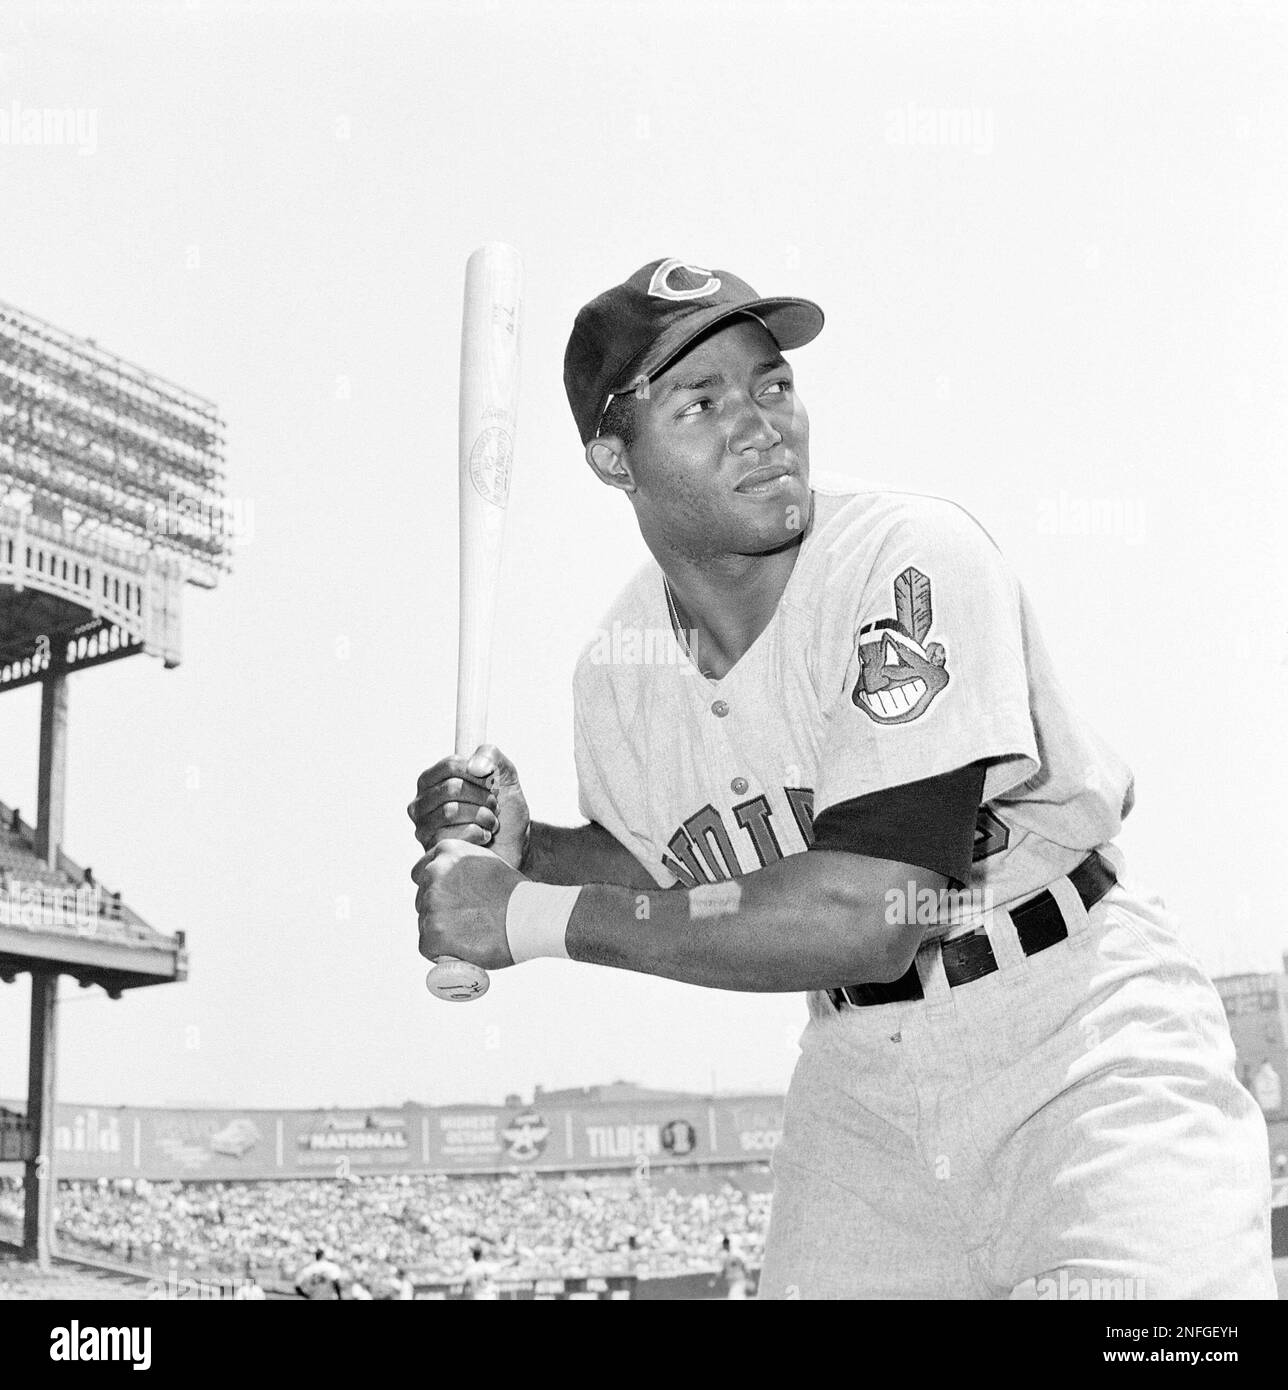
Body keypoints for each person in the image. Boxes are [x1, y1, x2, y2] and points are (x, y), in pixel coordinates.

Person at [410, 258, 1276, 1300]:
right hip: (859, 1080)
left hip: (1073, 1031)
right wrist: (528, 849)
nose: (759, 425)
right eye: (701, 402)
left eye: (772, 384)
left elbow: (869, 913)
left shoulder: (906, 559)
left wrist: (526, 917)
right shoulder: (616, 671)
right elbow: (682, 875)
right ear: (612, 457)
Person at [719, 1235, 749, 1300]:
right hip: (731, 1279)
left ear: (726, 1244)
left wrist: (747, 1276)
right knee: (736, 1295)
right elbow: (724, 1269)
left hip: (739, 1278)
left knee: (736, 1296)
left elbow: (743, 1265)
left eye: (724, 1245)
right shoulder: (724, 1255)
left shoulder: (736, 1253)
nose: (724, 1246)